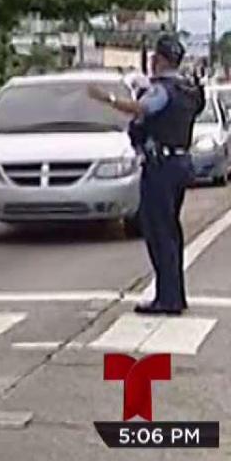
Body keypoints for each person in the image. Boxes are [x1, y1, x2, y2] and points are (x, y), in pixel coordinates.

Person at [87, 35, 204, 316]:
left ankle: (169, 299)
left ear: (159, 59)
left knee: (159, 232)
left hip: (161, 167)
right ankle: (174, 294)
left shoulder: (162, 90)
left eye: (154, 57)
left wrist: (109, 98)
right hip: (180, 162)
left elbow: (143, 109)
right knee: (170, 231)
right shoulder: (188, 89)